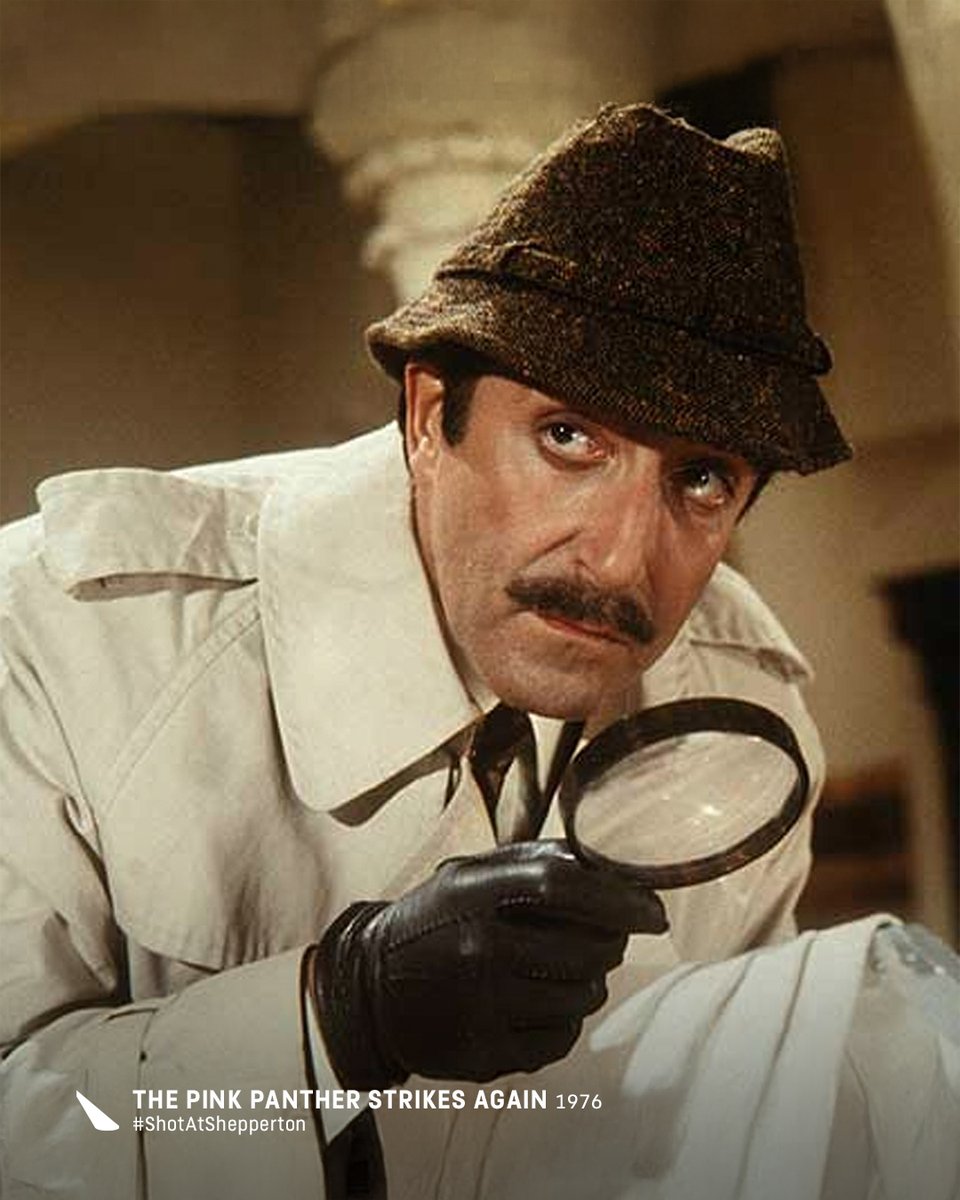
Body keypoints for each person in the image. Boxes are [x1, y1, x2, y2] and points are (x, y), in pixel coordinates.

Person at [0, 104, 851, 1199]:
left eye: (700, 479)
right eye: (569, 438)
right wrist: (335, 1017)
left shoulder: (742, 705)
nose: (619, 560)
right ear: (427, 414)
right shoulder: (59, 633)